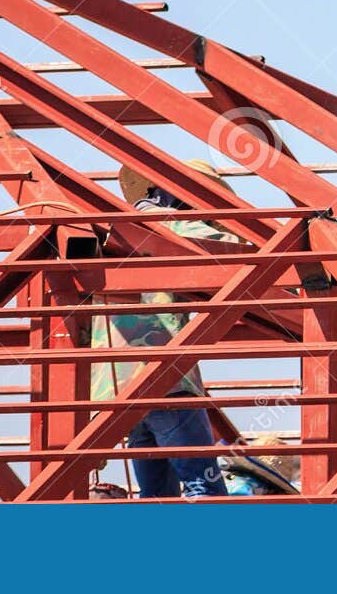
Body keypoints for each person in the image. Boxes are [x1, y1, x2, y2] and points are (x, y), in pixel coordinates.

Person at [91, 158, 241, 498]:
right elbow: (235, 250)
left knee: (157, 494)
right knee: (204, 487)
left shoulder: (117, 227)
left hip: (117, 389)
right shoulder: (173, 223)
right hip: (165, 381)